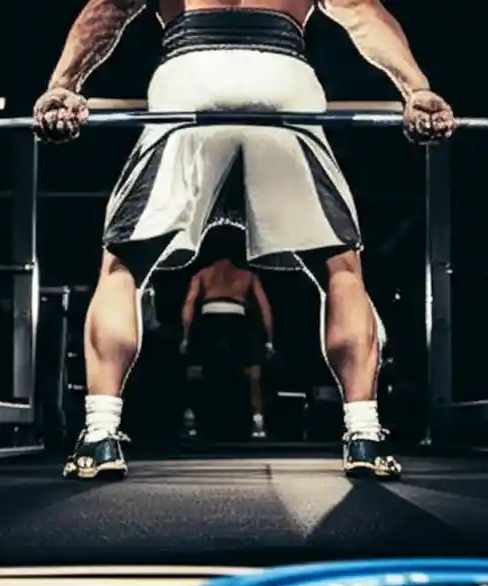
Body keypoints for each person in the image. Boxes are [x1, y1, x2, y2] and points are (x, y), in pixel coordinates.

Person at [35, 0, 455, 481]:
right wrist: (416, 89)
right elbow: (361, 12)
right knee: (341, 270)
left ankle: (99, 436)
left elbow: (107, 11)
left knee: (122, 269)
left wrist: (62, 88)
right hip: (283, 82)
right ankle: (364, 433)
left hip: (190, 79)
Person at [179, 226, 275, 439]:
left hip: (209, 319)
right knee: (253, 374)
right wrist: (268, 340)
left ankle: (190, 419)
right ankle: (258, 422)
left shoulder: (203, 274)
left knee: (195, 371)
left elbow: (189, 305)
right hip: (236, 319)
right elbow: (265, 309)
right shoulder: (247, 276)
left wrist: (186, 337)